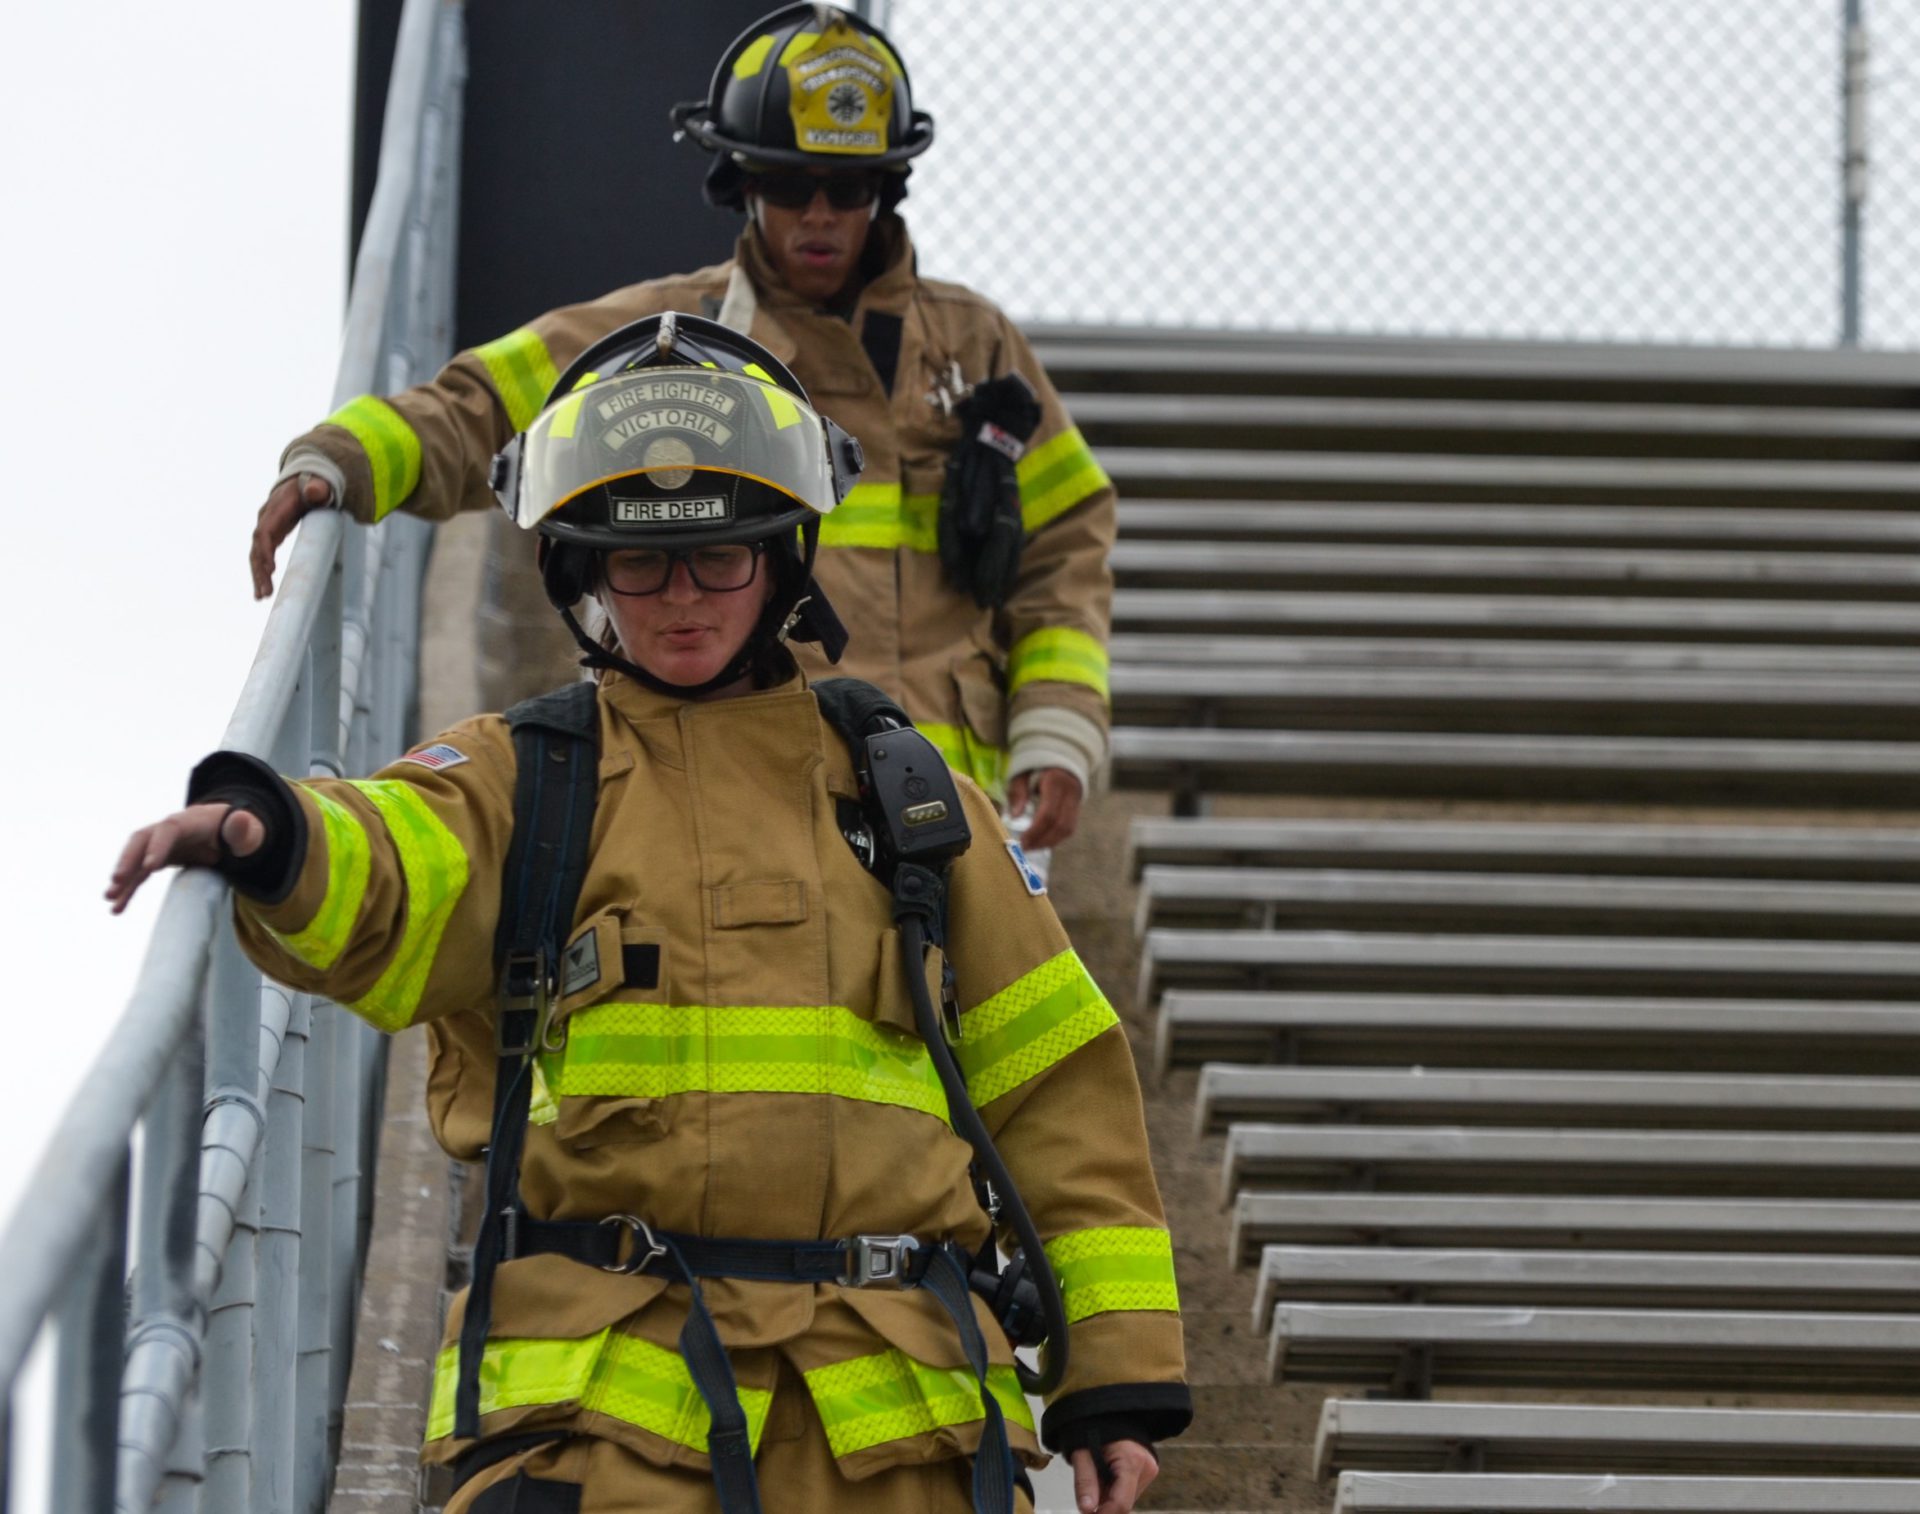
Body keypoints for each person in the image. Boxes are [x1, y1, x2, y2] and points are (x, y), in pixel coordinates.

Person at [117, 316, 1187, 1514]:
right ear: (583, 572)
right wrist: (277, 835)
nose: (681, 598)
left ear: (780, 558)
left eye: (716, 556)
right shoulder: (527, 777)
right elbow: (399, 854)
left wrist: (1113, 1380)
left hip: (902, 1443)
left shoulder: (913, 798)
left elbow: (1058, 1089)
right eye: (639, 562)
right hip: (600, 1442)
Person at [250, 3, 1114, 852]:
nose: (819, 215)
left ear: (884, 190)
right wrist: (342, 460)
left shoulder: (975, 348)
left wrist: (1057, 727)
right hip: (744, 798)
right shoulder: (669, 344)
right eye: (790, 186)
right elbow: (479, 406)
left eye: (848, 188)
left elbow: (1065, 545)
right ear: (745, 184)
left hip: (947, 810)